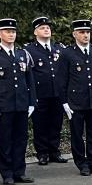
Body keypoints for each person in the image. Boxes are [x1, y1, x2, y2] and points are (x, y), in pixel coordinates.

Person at [0, 18, 37, 185]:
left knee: (21, 139)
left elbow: (29, 79)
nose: (11, 34)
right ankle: (7, 173)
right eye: (7, 32)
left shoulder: (22, 54)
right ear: (0, 34)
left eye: (13, 32)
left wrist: (32, 101)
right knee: (4, 140)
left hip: (21, 103)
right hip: (3, 105)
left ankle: (19, 171)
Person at [56, 18, 92, 175]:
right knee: (77, 135)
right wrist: (64, 102)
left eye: (87, 32)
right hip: (76, 102)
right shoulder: (67, 53)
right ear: (74, 34)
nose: (86, 35)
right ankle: (82, 164)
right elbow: (61, 80)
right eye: (82, 32)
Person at [25, 16, 67, 166]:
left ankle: (54, 151)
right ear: (35, 32)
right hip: (40, 94)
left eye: (48, 27)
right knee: (40, 124)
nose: (46, 29)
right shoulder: (29, 50)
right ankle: (42, 153)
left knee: (56, 123)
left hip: (57, 93)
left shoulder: (59, 48)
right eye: (42, 28)